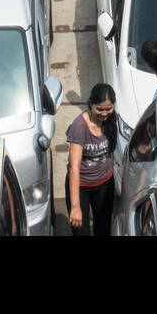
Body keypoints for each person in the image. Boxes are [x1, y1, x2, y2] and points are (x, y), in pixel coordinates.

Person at [65, 83, 118, 236]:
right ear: (90, 104)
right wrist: (75, 206)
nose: (104, 114)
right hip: (81, 187)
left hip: (105, 185)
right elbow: (74, 167)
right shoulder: (79, 127)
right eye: (99, 109)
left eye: (108, 109)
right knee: (80, 231)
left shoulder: (112, 119)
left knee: (103, 229)